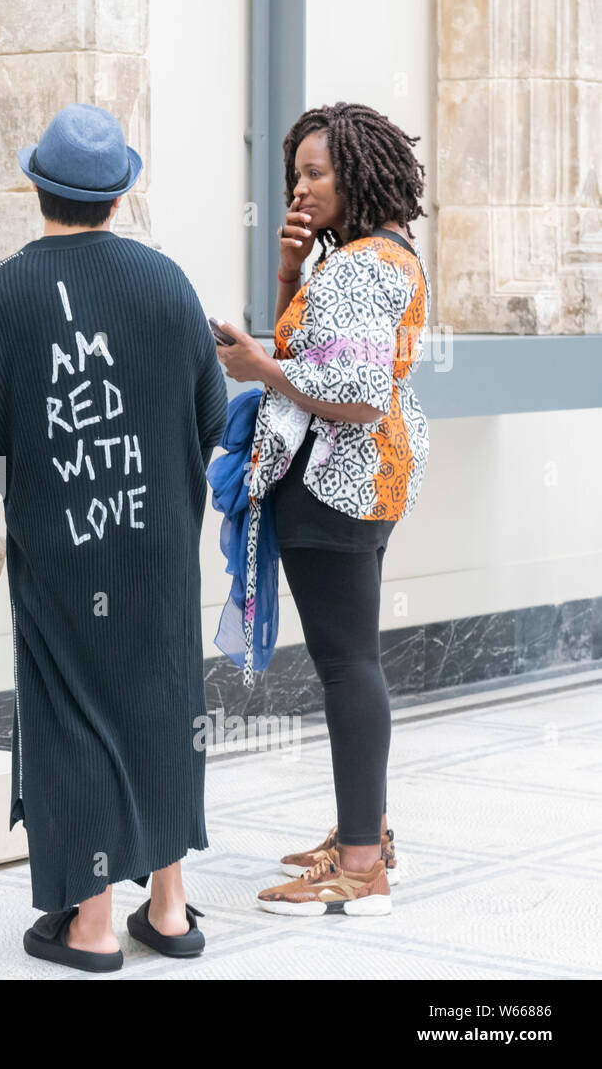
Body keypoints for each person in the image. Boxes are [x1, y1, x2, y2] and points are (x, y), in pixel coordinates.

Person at [0, 103, 228, 970]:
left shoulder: (6, 290)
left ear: (36, 185)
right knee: (163, 704)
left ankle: (92, 924)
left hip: (60, 545)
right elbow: (210, 417)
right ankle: (173, 911)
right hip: (157, 546)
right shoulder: (168, 284)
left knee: (71, 712)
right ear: (120, 195)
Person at [212, 102, 430, 917]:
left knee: (347, 665)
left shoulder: (366, 265)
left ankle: (363, 865)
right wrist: (290, 278)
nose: (299, 190)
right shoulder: (376, 255)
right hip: (362, 479)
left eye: (316, 174)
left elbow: (357, 394)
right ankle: (363, 833)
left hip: (334, 482)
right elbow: (325, 353)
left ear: (359, 175)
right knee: (354, 657)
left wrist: (257, 368)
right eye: (295, 175)